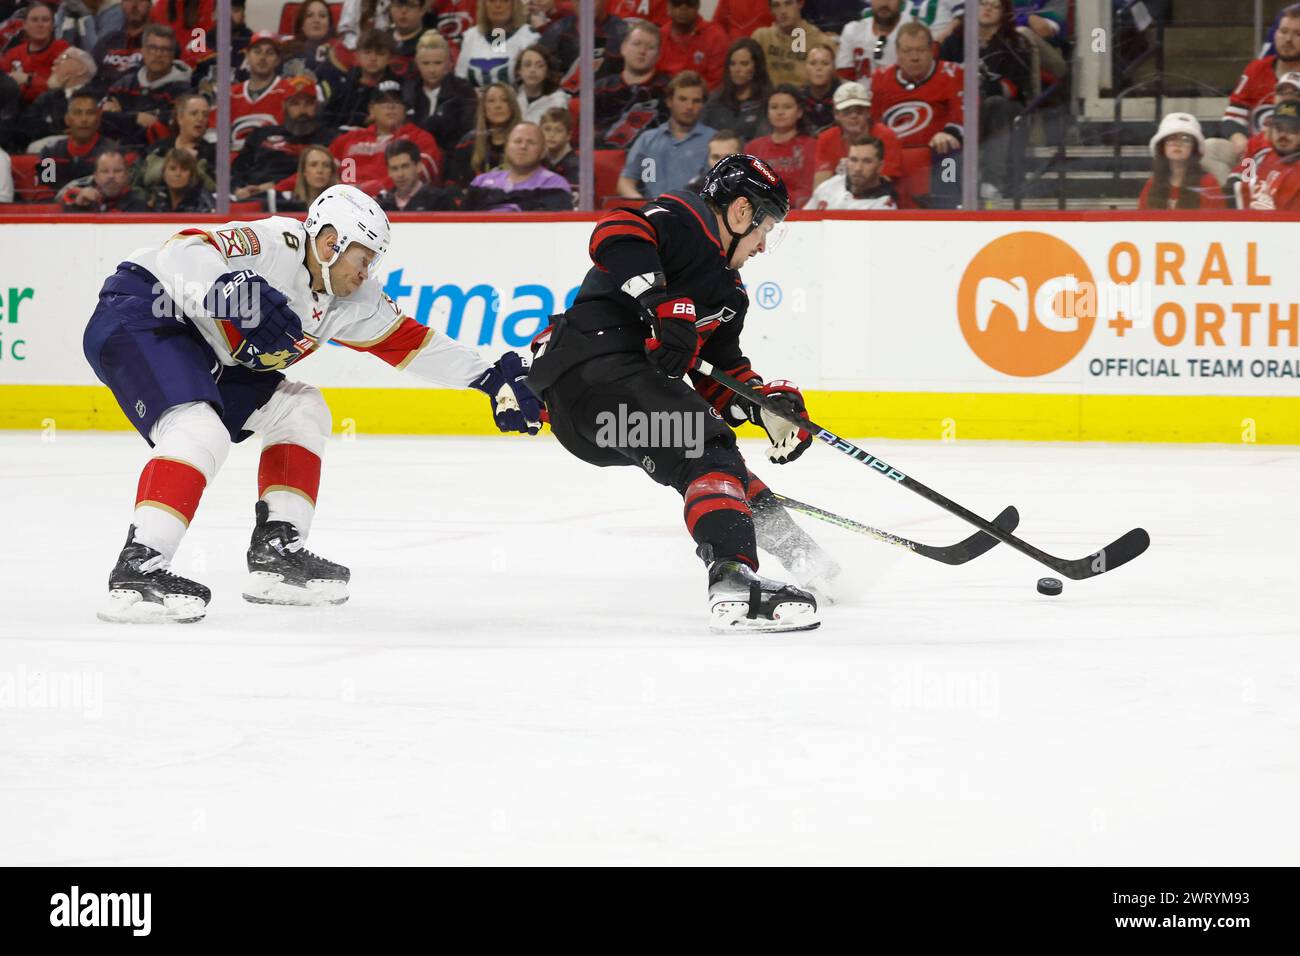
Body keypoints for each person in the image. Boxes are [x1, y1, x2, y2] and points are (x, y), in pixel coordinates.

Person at [81, 183, 543, 624]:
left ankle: (276, 552)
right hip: (144, 312)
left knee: (300, 408)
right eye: (363, 259)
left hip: (210, 353)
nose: (367, 273)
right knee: (199, 429)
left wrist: (486, 378)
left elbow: (413, 344)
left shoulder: (351, 299)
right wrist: (230, 288)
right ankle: (137, 570)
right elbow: (180, 250)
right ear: (328, 243)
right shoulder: (274, 241)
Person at [526, 154, 837, 633]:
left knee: (711, 458)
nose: (761, 244)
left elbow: (720, 376)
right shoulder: (684, 220)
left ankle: (797, 552)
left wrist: (763, 407)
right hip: (596, 371)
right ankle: (734, 581)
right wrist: (657, 301)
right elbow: (615, 230)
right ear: (739, 212)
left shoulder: (730, 297)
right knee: (710, 451)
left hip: (599, 422)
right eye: (764, 227)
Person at [938, 0, 1031, 199]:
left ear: (1003, 12)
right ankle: (948, 186)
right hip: (960, 105)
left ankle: (992, 180)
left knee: (995, 104)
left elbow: (1015, 87)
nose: (988, 9)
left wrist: (984, 86)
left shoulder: (1014, 43)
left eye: (994, 6)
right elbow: (942, 78)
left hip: (1001, 110)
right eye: (982, 3)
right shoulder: (954, 41)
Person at [871, 21, 963, 206]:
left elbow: (963, 115)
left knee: (950, 149)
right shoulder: (881, 79)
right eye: (907, 51)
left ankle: (947, 207)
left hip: (937, 155)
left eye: (920, 50)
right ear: (897, 53)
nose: (914, 57)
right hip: (891, 156)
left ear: (932, 50)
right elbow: (873, 124)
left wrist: (949, 133)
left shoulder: (951, 74)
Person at [1209, 4, 1300, 181]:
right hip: (1254, 150)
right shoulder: (1256, 69)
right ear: (1275, 33)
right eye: (1283, 31)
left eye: (1298, 34)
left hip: (1294, 152)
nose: (1288, 39)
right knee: (1210, 149)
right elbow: (1233, 117)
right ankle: (1237, 196)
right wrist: (1239, 139)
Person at [233, 76, 339, 199]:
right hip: (254, 197)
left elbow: (326, 176)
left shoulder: (331, 139)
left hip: (301, 199)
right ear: (284, 106)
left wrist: (273, 186)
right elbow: (238, 170)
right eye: (295, 104)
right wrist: (238, 189)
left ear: (317, 106)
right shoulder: (261, 134)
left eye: (308, 104)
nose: (302, 110)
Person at [330, 81, 443, 195]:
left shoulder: (420, 139)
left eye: (397, 102)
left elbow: (420, 175)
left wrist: (375, 189)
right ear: (371, 109)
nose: (391, 107)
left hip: (393, 204)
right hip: (346, 203)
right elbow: (321, 168)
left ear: (405, 110)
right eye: (383, 102)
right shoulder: (348, 139)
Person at [617, 70, 713, 198]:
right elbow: (625, 182)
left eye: (696, 101)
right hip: (652, 213)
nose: (689, 106)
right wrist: (642, 204)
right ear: (669, 101)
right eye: (682, 99)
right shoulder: (647, 140)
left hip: (696, 214)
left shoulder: (714, 141)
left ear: (703, 105)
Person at [99, 22, 191, 147]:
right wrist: (136, 118)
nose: (158, 54)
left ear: (172, 54)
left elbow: (164, 132)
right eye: (153, 48)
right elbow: (98, 119)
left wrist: (120, 117)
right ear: (142, 51)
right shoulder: (125, 83)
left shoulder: (182, 91)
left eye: (165, 49)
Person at [592, 19, 670, 148]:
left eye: (650, 47)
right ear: (623, 48)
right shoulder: (600, 88)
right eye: (637, 44)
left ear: (658, 55)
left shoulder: (667, 92)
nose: (642, 51)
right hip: (601, 157)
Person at [811, 80, 901, 190]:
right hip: (835, 199)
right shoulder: (826, 138)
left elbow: (884, 184)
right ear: (836, 115)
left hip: (874, 199)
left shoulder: (886, 136)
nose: (853, 116)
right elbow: (821, 186)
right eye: (847, 111)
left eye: (859, 111)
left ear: (868, 112)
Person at [468, 120, 573, 208]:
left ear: (543, 152)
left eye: (531, 142)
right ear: (507, 148)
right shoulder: (480, 183)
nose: (523, 146)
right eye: (517, 141)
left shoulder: (554, 184)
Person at [744, 83, 817, 207]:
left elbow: (810, 191)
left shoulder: (811, 146)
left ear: (799, 112)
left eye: (787, 107)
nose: (780, 112)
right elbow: (748, 187)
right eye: (774, 107)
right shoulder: (753, 147)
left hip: (800, 213)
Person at [403, 32, 477, 152]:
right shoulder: (408, 90)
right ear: (417, 64)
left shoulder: (463, 90)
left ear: (448, 64)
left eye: (438, 63)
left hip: (452, 154)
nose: (432, 70)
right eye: (426, 63)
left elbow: (467, 130)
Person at [1137, 113, 1224, 211]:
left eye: (1185, 139)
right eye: (1171, 138)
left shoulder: (1208, 183)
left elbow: (1216, 222)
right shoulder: (1152, 184)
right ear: (1162, 146)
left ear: (1194, 148)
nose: (1178, 144)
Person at [18, 44, 100, 145]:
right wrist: (56, 132)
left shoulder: (98, 96)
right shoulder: (47, 97)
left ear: (81, 69)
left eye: (64, 58)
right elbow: (27, 124)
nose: (55, 62)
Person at [444, 79, 521, 185]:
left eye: (504, 100)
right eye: (491, 101)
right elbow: (453, 185)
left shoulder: (524, 141)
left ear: (512, 106)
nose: (498, 106)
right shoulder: (468, 142)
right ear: (483, 108)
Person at [228, 31, 293, 154]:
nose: (262, 58)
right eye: (257, 52)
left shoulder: (288, 91)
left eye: (269, 53)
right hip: (234, 163)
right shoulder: (231, 94)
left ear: (278, 59)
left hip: (271, 163)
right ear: (247, 55)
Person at [1229, 100, 1300, 211]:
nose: (1283, 135)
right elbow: (1237, 184)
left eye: (1291, 129)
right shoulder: (1264, 157)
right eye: (1279, 128)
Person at [136, 91, 215, 190]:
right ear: (180, 118)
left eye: (205, 115)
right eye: (194, 113)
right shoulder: (159, 148)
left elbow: (216, 189)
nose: (200, 119)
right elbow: (139, 181)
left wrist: (194, 167)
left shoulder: (212, 152)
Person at [326, 28, 404, 128]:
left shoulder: (398, 87)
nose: (373, 58)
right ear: (357, 56)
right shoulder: (344, 84)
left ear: (390, 58)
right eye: (367, 52)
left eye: (380, 53)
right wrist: (361, 120)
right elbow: (327, 117)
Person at [539, 0, 626, 88]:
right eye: (578, 1)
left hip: (609, 96)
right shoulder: (556, 32)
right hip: (563, 96)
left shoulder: (622, 33)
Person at [38, 89, 113, 190]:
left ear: (98, 119)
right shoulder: (50, 153)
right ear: (67, 119)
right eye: (77, 113)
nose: (84, 119)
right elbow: (44, 193)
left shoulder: (112, 153)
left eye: (90, 113)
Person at [701, 37, 771, 143]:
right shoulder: (716, 100)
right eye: (732, 64)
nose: (737, 70)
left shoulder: (768, 102)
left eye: (744, 64)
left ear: (757, 66)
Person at [456, 0, 540, 88]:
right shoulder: (471, 36)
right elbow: (460, 77)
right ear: (484, 6)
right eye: (492, 1)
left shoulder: (528, 35)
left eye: (505, 1)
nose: (498, 5)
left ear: (515, 5)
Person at [751, 0, 836, 87]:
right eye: (776, 5)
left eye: (788, 3)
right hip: (767, 98)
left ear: (800, 4)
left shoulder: (822, 42)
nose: (783, 11)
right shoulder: (761, 38)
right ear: (771, 10)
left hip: (805, 99)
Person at [804, 132, 899, 208]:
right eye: (853, 160)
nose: (858, 168)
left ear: (880, 166)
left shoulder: (883, 206)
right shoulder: (831, 184)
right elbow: (803, 221)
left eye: (867, 161)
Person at [1, 3, 70, 104]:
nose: (40, 25)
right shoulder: (14, 53)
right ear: (24, 25)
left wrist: (28, 80)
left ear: (52, 26)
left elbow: (63, 89)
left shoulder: (64, 50)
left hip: (50, 110)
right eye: (34, 20)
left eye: (45, 20)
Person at [836, 0, 916, 82]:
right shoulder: (853, 30)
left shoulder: (917, 33)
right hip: (859, 93)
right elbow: (844, 76)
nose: (884, 3)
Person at [657, 0, 727, 90]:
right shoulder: (660, 36)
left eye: (689, 3)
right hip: (664, 96)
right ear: (668, 6)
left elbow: (716, 82)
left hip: (701, 99)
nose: (683, 8)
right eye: (677, 3)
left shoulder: (716, 36)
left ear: (698, 6)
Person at [59, 146, 149, 211]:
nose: (111, 176)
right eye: (105, 171)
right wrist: (78, 206)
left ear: (126, 175)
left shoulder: (141, 204)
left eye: (117, 171)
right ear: (95, 177)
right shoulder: (82, 196)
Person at [377, 137, 451, 209]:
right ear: (389, 171)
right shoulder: (382, 206)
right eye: (394, 168)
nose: (400, 174)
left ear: (418, 166)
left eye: (405, 166)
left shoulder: (440, 201)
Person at [92, 0, 153, 80]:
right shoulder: (107, 42)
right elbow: (93, 78)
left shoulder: (160, 43)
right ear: (121, 5)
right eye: (129, 1)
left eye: (141, 0)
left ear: (150, 6)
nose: (134, 5)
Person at [148, 146, 215, 211]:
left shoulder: (205, 205)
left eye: (184, 169)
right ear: (164, 173)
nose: (178, 174)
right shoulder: (157, 197)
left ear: (191, 175)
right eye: (173, 169)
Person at [276, 143, 339, 210]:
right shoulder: (288, 204)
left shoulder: (341, 204)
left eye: (326, 165)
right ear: (304, 171)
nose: (320, 170)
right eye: (313, 165)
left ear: (332, 172)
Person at [514, 43, 567, 123]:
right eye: (527, 65)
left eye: (540, 65)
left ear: (547, 71)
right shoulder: (512, 98)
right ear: (519, 71)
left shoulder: (558, 102)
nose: (533, 70)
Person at [286, 0, 337, 75]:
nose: (316, 20)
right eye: (309, 15)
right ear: (302, 25)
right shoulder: (288, 52)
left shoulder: (339, 52)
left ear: (329, 25)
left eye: (322, 16)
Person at [799, 41, 841, 133]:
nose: (818, 68)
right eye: (813, 63)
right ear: (805, 67)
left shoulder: (844, 96)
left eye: (825, 63)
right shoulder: (798, 98)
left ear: (834, 68)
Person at [540, 103, 578, 184]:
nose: (552, 135)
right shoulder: (537, 159)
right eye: (547, 129)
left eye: (559, 130)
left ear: (568, 135)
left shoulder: (575, 166)